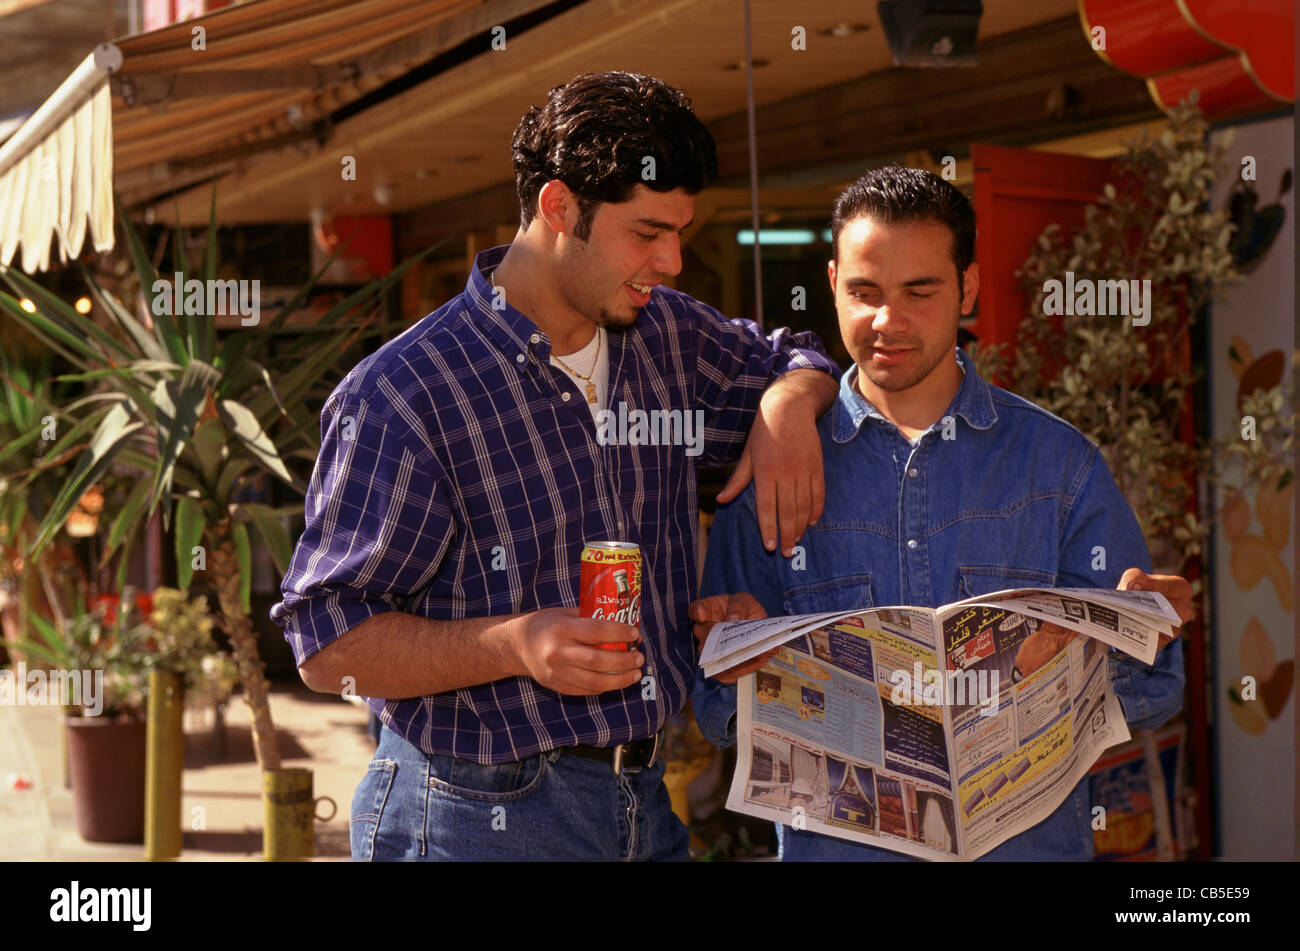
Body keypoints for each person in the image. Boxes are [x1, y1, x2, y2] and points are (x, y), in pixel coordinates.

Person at [270, 71, 840, 861]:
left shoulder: (672, 339)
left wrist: (786, 407)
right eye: (647, 233)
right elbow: (327, 642)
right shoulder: (403, 394)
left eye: (681, 231)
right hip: (470, 817)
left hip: (648, 803)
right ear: (558, 207)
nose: (673, 260)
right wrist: (513, 643)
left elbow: (798, 357)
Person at [690, 165, 1192, 861]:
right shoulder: (777, 472)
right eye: (863, 292)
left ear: (969, 288)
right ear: (832, 282)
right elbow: (716, 718)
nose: (886, 321)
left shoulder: (1060, 468)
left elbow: (1153, 695)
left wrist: (1143, 631)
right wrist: (733, 651)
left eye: (919, 292)